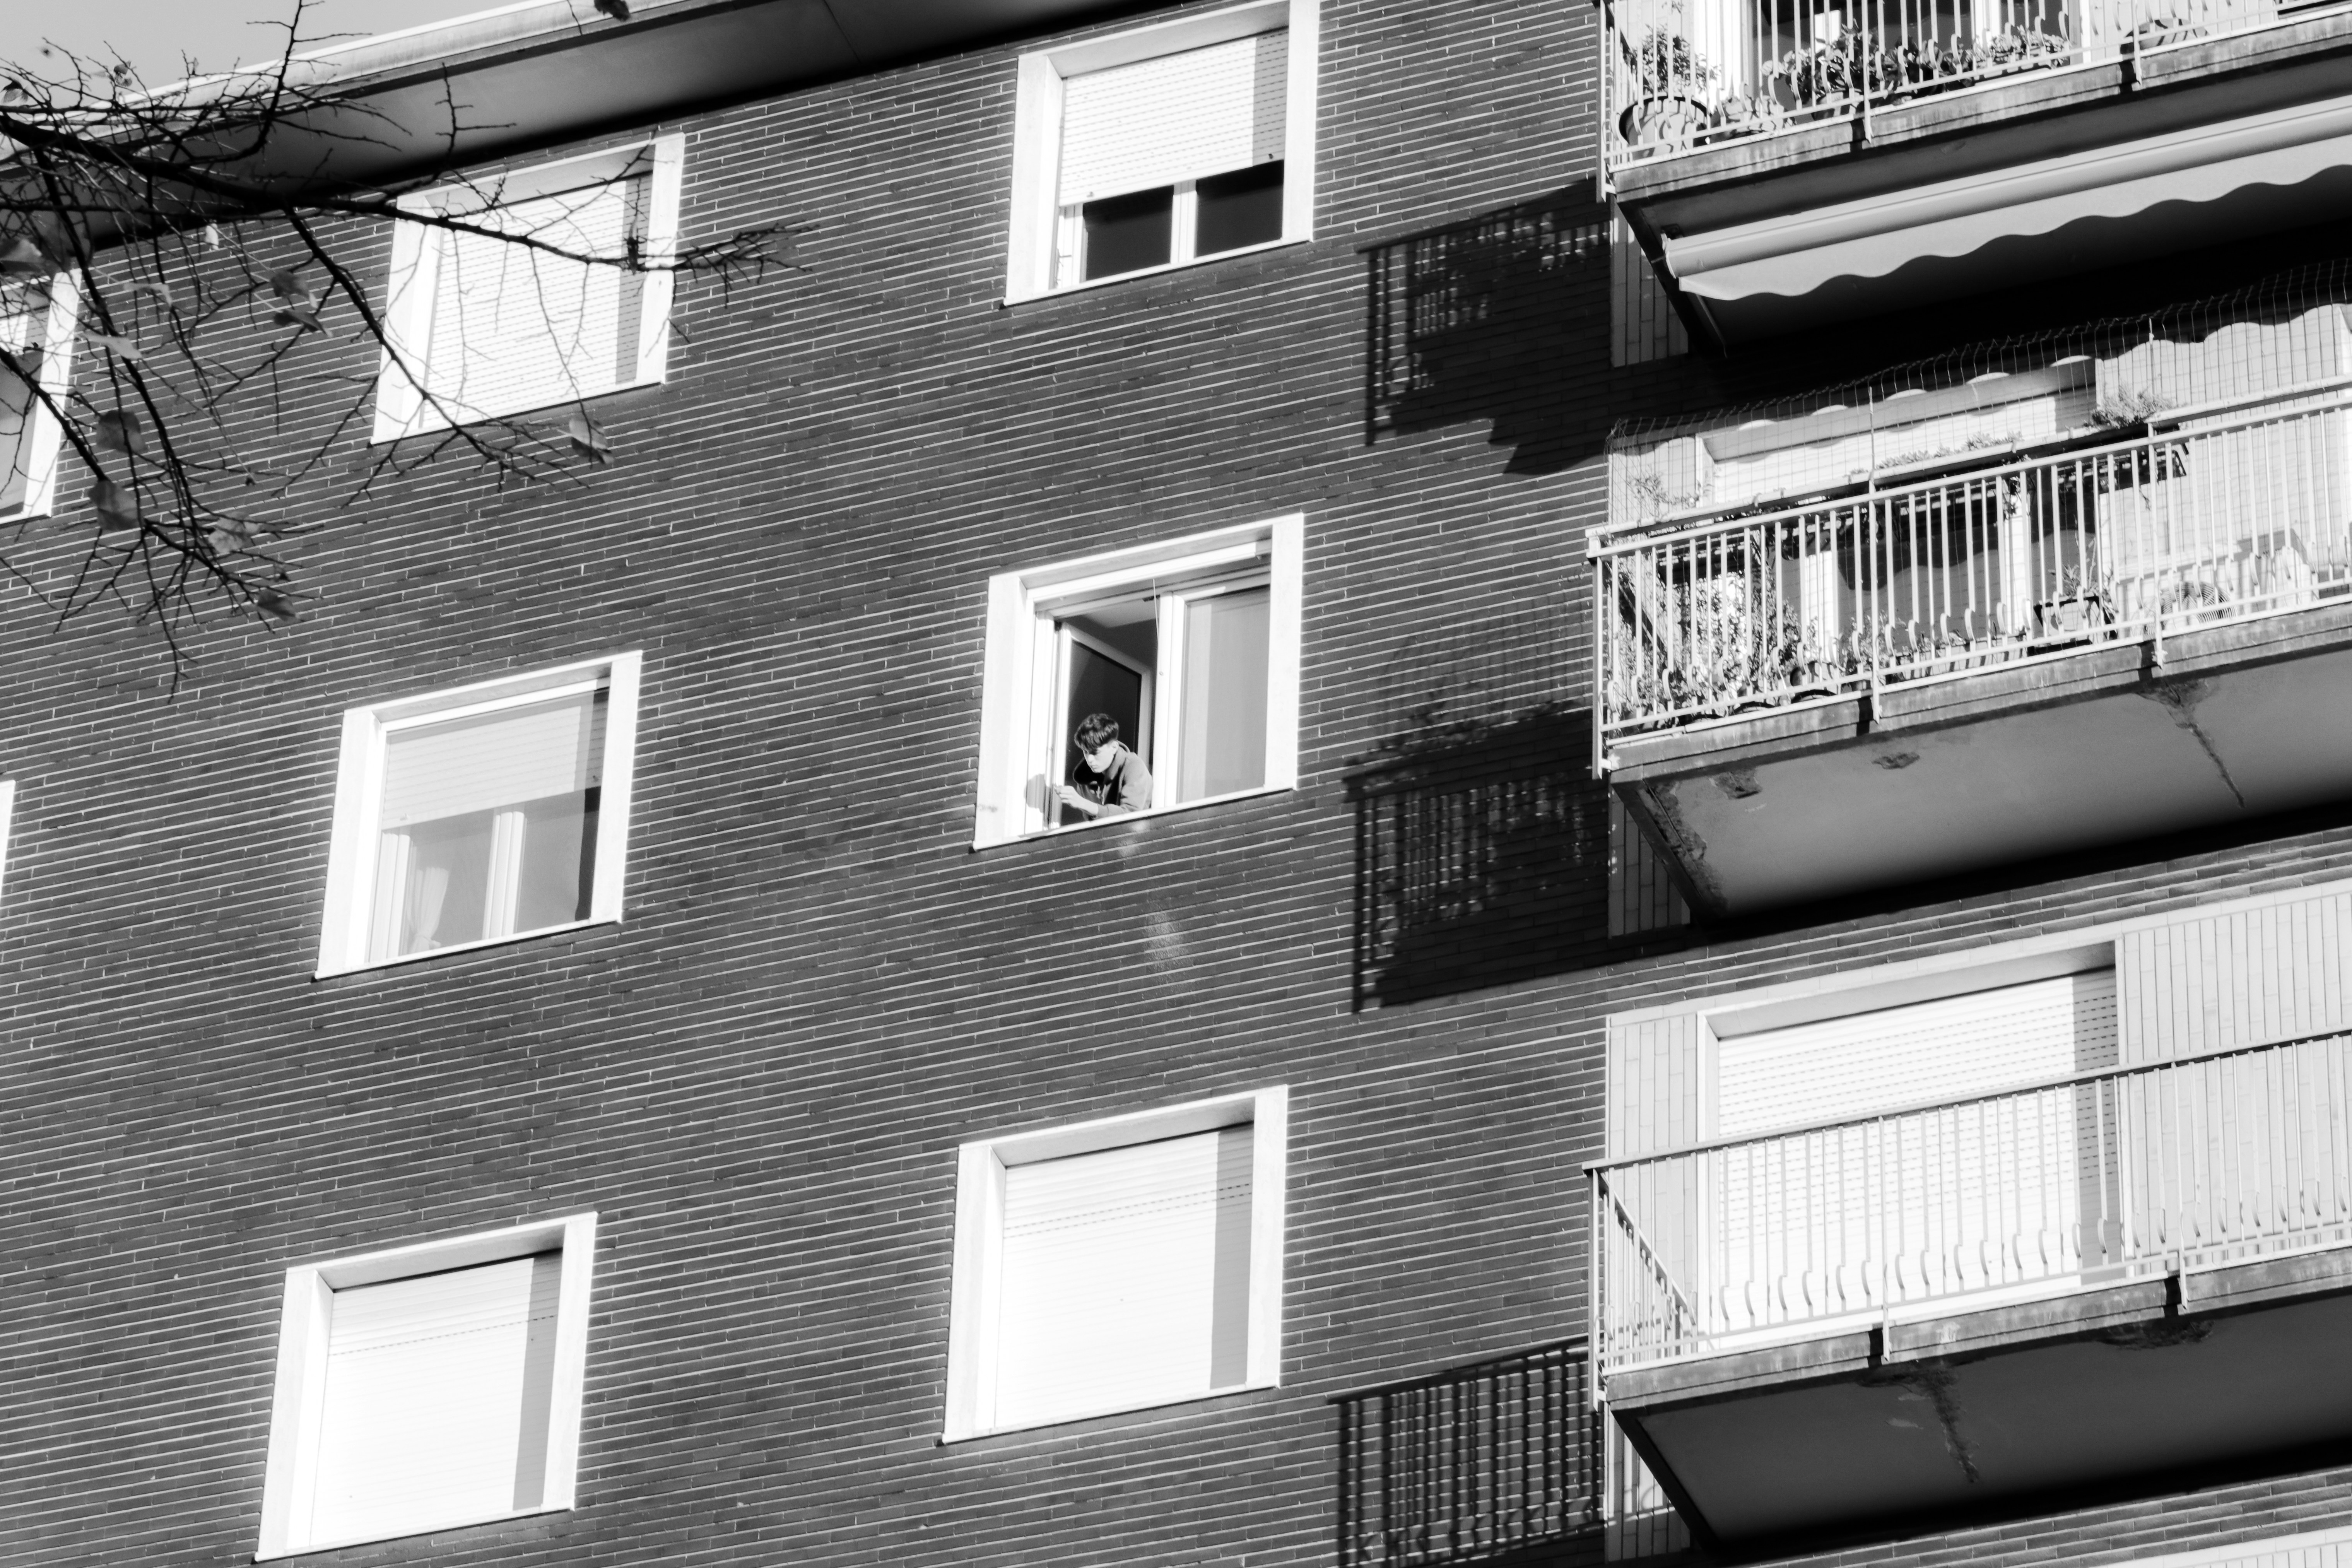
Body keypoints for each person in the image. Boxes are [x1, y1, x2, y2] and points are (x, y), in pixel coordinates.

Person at [1054, 712, 1152, 822]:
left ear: (1114, 747)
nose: (1090, 759)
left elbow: (1130, 815)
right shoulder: (1084, 781)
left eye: (1095, 752)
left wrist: (1082, 803)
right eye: (1086, 752)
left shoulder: (1134, 767)